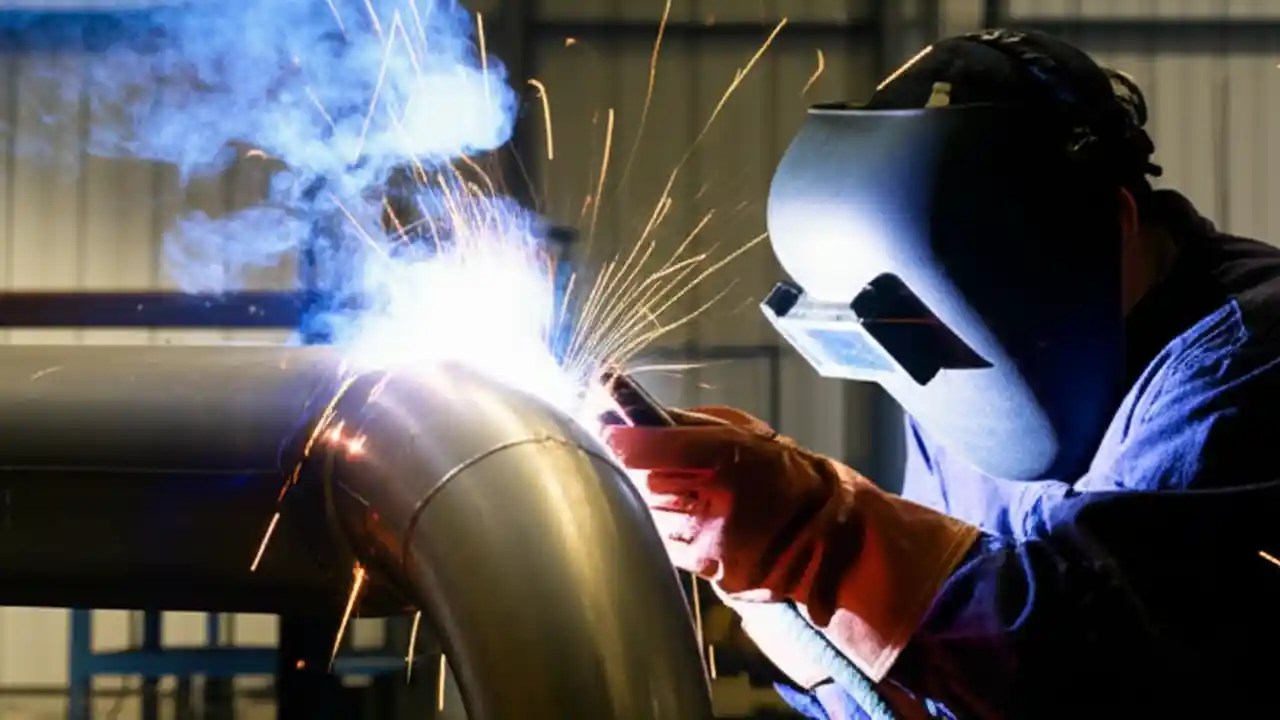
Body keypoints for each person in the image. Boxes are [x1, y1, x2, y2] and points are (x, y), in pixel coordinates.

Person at [602, 29, 1280, 719]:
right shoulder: (957, 350)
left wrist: (812, 540)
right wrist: (791, 599)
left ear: (1108, 224)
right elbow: (948, 665)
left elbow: (1105, 666)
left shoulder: (1248, 357)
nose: (947, 354)